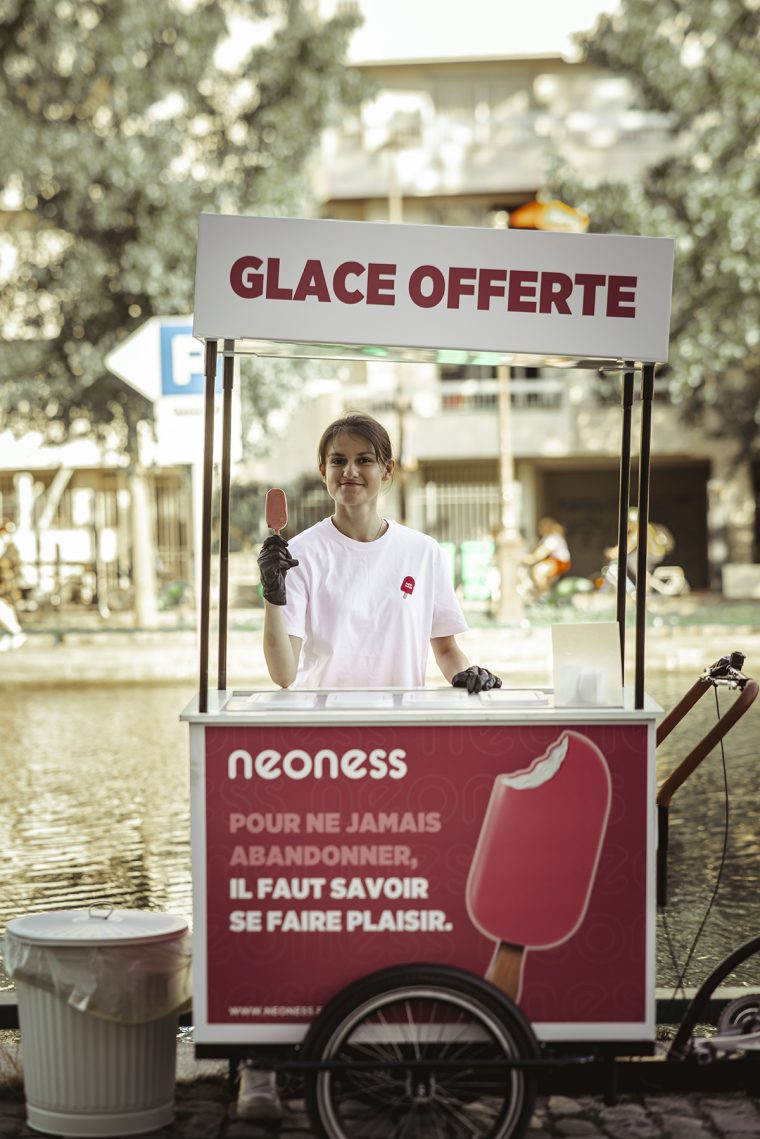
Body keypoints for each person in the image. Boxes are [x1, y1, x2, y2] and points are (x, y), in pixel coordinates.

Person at [241, 413, 502, 1120]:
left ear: (388, 468)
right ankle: (258, 1064)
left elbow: (446, 645)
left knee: (394, 905)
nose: (349, 471)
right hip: (322, 753)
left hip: (408, 752)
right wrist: (270, 595)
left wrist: (469, 672)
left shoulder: (422, 551)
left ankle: (384, 1047)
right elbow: (286, 674)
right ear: (322, 471)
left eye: (364, 459)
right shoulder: (300, 552)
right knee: (298, 904)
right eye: (337, 460)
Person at [521, 516, 571, 597]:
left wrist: (529, 559)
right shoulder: (546, 538)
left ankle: (545, 596)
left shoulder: (553, 539)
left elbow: (539, 554)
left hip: (560, 562)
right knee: (543, 579)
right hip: (553, 561)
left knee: (538, 571)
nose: (539, 528)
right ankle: (545, 595)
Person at [0, 518, 26, 652]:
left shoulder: (11, 549)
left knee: (5, 611)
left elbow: (14, 569)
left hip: (6, 588)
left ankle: (16, 634)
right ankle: (14, 635)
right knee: (5, 612)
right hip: (4, 587)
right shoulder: (4, 547)